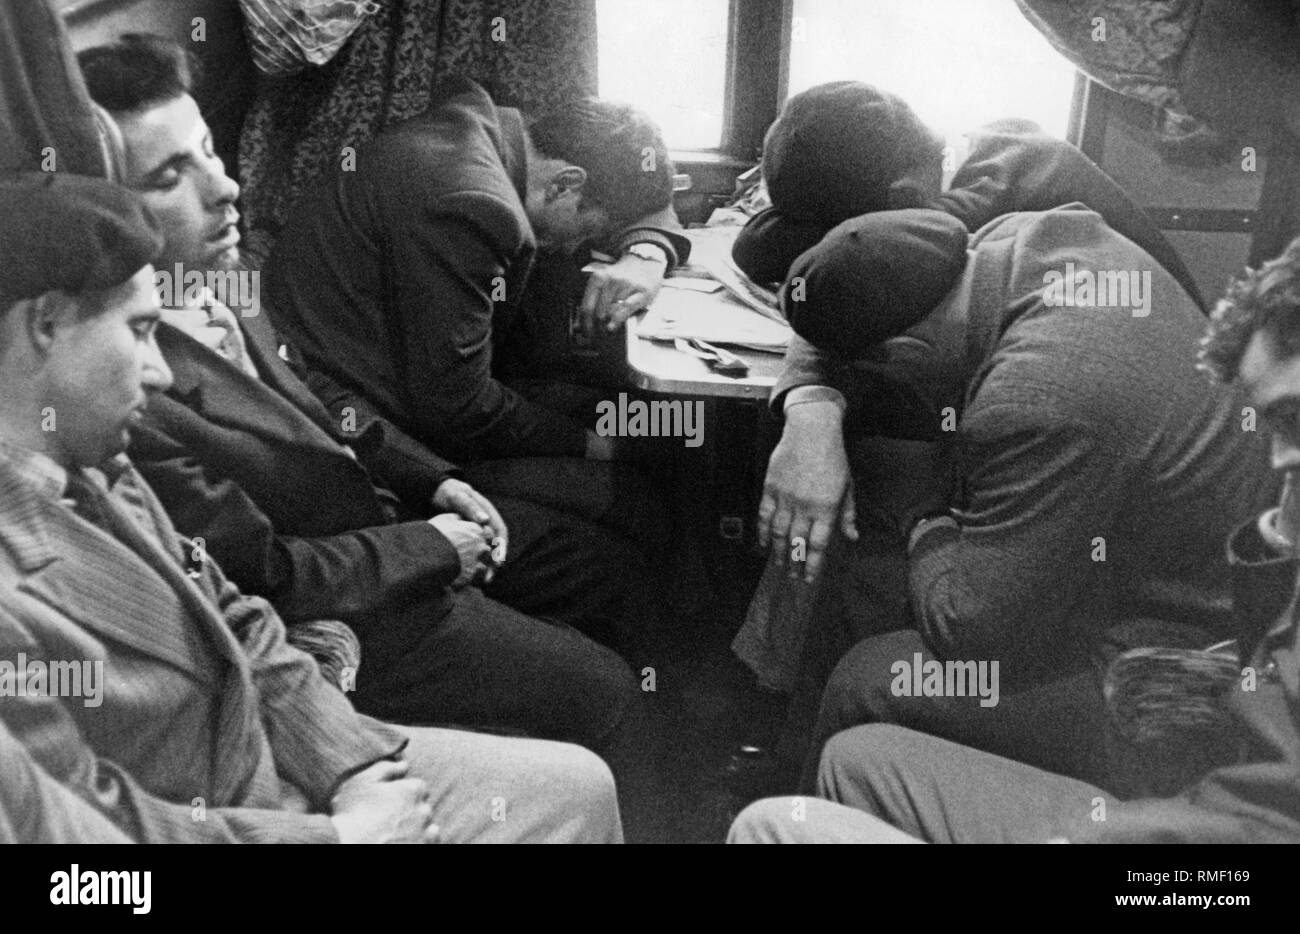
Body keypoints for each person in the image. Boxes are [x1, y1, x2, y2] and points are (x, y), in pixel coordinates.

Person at [78, 34, 651, 779]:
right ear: (105, 212)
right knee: (609, 694)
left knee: (606, 573)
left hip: (388, 523)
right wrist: (435, 547)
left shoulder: (224, 283)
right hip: (352, 609)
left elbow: (321, 399)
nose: (224, 189)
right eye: (168, 177)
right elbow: (263, 580)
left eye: (211, 155)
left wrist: (432, 481)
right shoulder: (130, 397)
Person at [0, 171, 621, 844]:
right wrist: (341, 838)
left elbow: (240, 620)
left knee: (579, 788)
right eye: (141, 331)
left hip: (280, 755)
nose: (156, 371)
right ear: (45, 325)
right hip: (227, 817)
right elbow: (81, 860)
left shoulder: (97, 467)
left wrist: (345, 764)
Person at [730, 237, 1300, 843]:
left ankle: (800, 796)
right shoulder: (1033, 241)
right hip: (1160, 611)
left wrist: (927, 520)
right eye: (1276, 425)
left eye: (1290, 421)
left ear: (909, 349)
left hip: (1161, 661)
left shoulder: (1045, 393)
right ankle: (802, 777)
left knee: (870, 675)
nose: (1282, 461)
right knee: (862, 592)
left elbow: (970, 629)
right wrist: (815, 405)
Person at [263, 73, 688, 536]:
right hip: (369, 430)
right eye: (588, 230)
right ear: (566, 184)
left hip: (403, 387)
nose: (573, 249)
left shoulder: (483, 129)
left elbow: (655, 204)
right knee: (643, 500)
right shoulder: (476, 206)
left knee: (662, 423)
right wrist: (591, 444)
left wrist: (647, 251)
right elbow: (459, 410)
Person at [731, 80, 1204, 310]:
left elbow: (766, 248)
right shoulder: (950, 156)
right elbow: (757, 243)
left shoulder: (988, 199)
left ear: (901, 200)